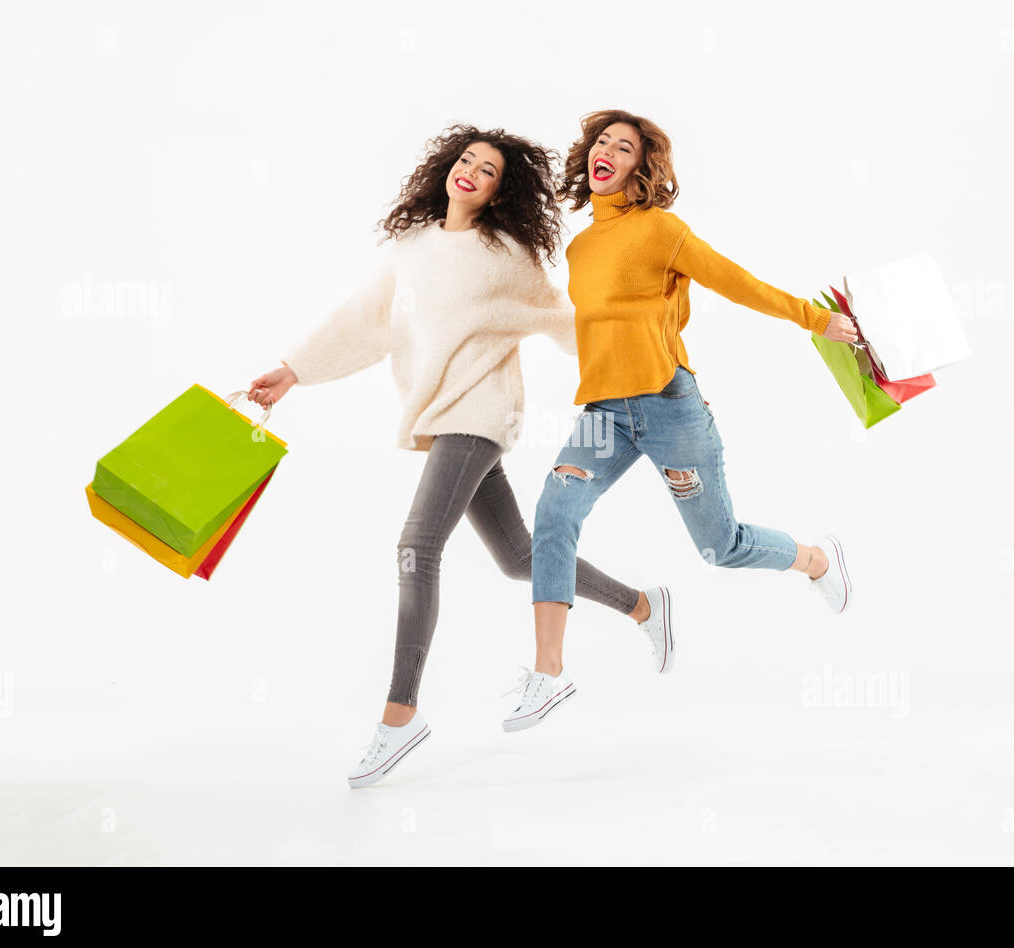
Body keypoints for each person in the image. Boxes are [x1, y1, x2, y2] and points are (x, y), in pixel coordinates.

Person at [246, 124, 670, 786]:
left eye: (489, 169)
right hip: (444, 419)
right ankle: (643, 605)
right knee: (521, 558)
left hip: (480, 416)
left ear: (504, 191)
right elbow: (363, 320)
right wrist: (294, 370)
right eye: (466, 159)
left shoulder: (504, 256)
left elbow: (567, 322)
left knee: (417, 546)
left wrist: (648, 370)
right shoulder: (414, 247)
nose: (471, 171)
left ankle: (399, 715)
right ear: (447, 166)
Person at [503, 109, 859, 731]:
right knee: (554, 514)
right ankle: (548, 673)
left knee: (721, 547)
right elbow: (594, 326)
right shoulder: (580, 247)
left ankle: (817, 560)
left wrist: (814, 317)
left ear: (642, 168)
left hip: (670, 409)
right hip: (601, 413)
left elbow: (736, 282)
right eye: (601, 142)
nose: (606, 151)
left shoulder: (661, 230)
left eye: (624, 146)